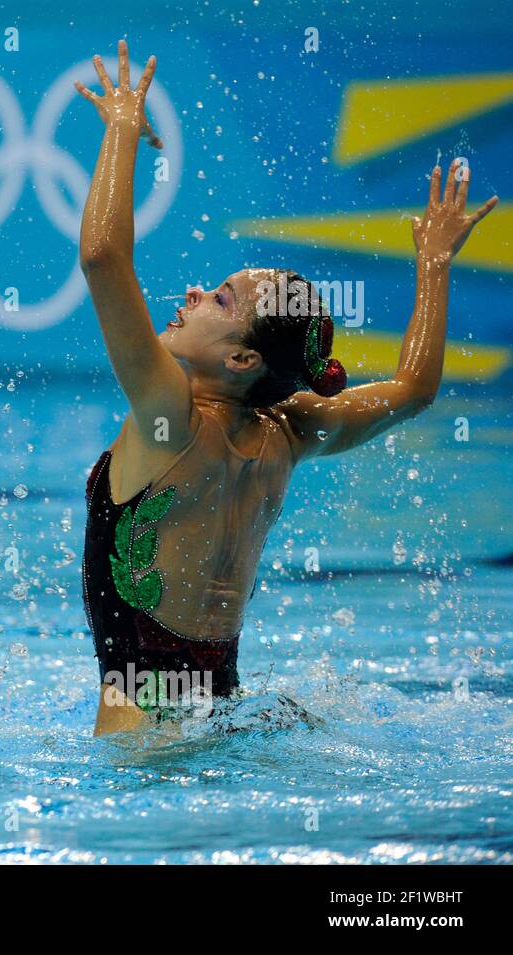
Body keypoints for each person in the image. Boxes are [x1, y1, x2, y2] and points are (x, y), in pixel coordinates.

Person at [74, 40, 498, 736]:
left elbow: (100, 257)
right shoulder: (291, 432)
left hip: (143, 745)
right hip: (226, 715)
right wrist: (434, 265)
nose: (193, 293)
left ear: (242, 358)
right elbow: (414, 388)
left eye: (218, 299)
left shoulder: (169, 419)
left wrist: (121, 126)